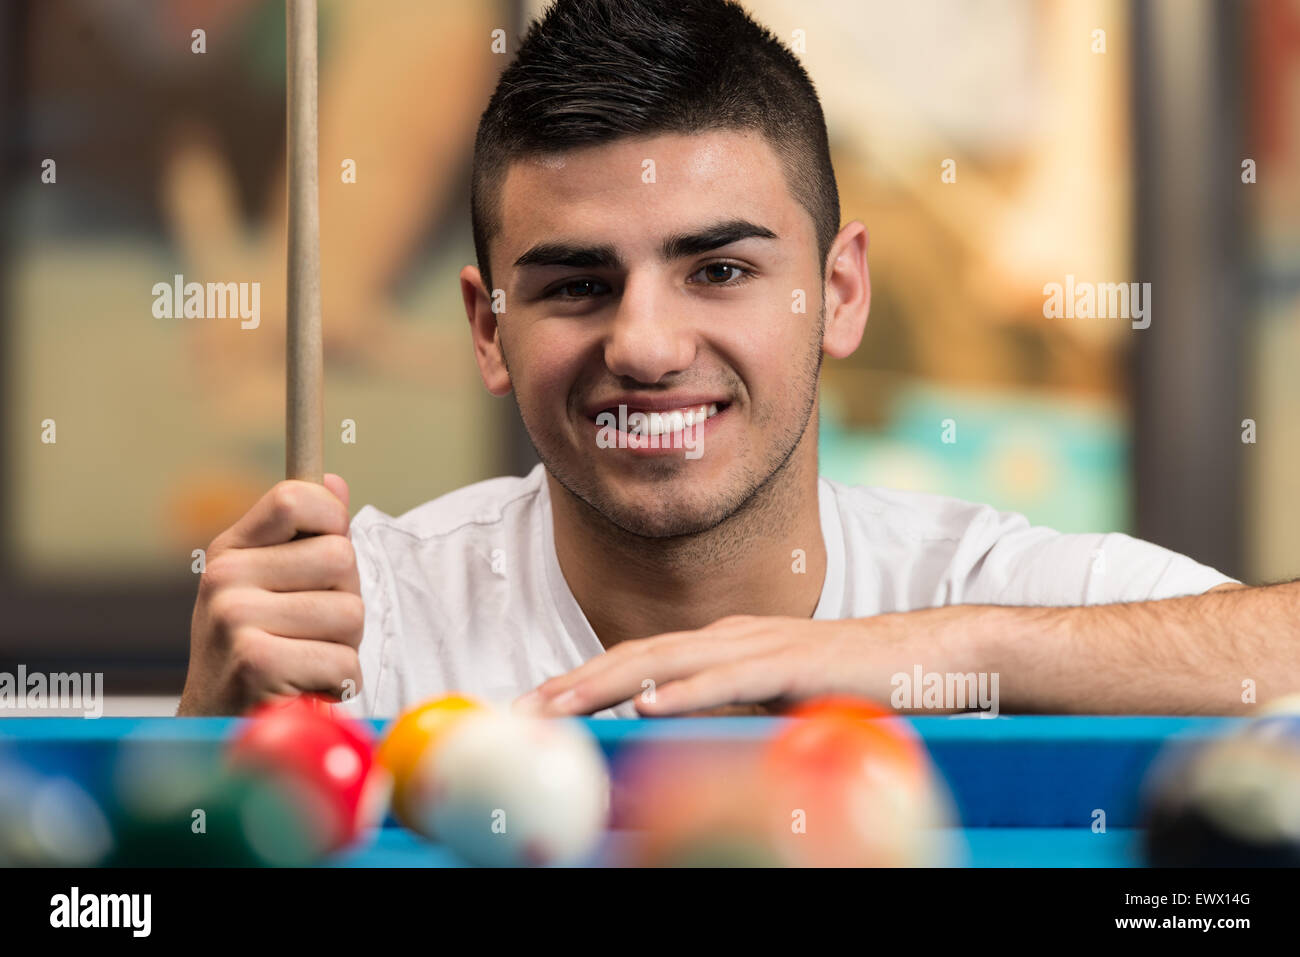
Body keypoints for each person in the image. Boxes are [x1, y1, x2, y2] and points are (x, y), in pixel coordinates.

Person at [178, 0, 1291, 719]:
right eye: (576, 284)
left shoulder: (968, 588)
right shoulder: (346, 620)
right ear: (489, 332)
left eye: (717, 271)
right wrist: (205, 764)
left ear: (837, 294)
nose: (646, 346)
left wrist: (911, 654)